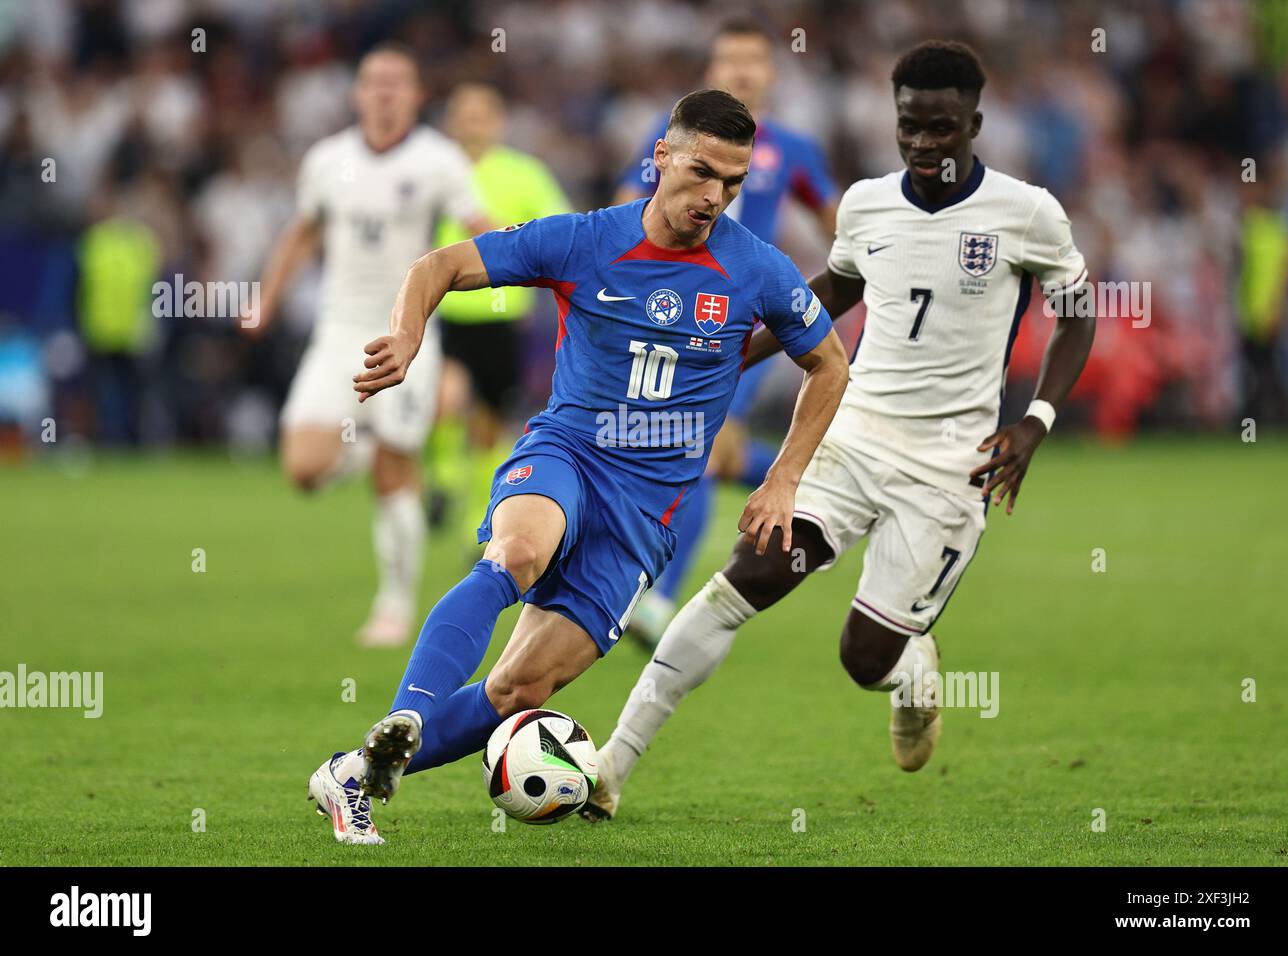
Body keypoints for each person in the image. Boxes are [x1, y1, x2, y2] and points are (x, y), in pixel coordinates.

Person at [307, 89, 849, 845]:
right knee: (517, 553)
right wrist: (405, 337)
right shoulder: (584, 240)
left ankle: (351, 776)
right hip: (568, 454)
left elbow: (829, 364)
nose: (714, 197)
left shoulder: (758, 270)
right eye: (700, 172)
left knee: (519, 687)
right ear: (660, 157)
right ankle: (407, 712)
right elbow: (439, 264)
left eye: (731, 183)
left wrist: (784, 475)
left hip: (643, 516)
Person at [584, 41, 1097, 821]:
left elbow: (1079, 315)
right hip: (852, 438)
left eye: (941, 128)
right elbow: (831, 293)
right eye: (909, 127)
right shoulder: (867, 204)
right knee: (745, 580)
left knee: (863, 659)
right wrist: (726, 354)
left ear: (975, 123)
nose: (923, 144)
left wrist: (1037, 419)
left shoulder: (1026, 213)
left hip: (950, 467)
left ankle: (913, 674)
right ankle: (610, 767)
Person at [245, 43, 484, 647]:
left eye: (395, 82)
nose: (383, 92)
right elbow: (302, 233)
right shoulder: (327, 160)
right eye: (373, 81)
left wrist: (516, 265)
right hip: (337, 330)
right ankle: (370, 440)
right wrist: (266, 300)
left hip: (406, 329)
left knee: (393, 470)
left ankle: (394, 607)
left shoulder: (439, 159)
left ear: (415, 94)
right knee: (302, 467)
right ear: (357, 93)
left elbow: (476, 228)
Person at [614, 18, 840, 646]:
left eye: (753, 60)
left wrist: (826, 291)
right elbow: (621, 209)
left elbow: (841, 232)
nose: (741, 71)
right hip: (666, 316)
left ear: (771, 72)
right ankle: (839, 490)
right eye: (729, 60)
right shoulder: (674, 142)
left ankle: (655, 600)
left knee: (706, 451)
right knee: (695, 448)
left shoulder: (792, 149)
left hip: (737, 321)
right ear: (711, 73)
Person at [425, 82, 570, 542]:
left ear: (498, 121)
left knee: (488, 419)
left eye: (482, 113)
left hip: (502, 313)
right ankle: (445, 478)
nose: (473, 122)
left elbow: (557, 220)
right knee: (445, 398)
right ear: (452, 120)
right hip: (447, 306)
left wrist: (523, 244)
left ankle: (478, 516)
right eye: (464, 113)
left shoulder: (522, 173)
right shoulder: (434, 169)